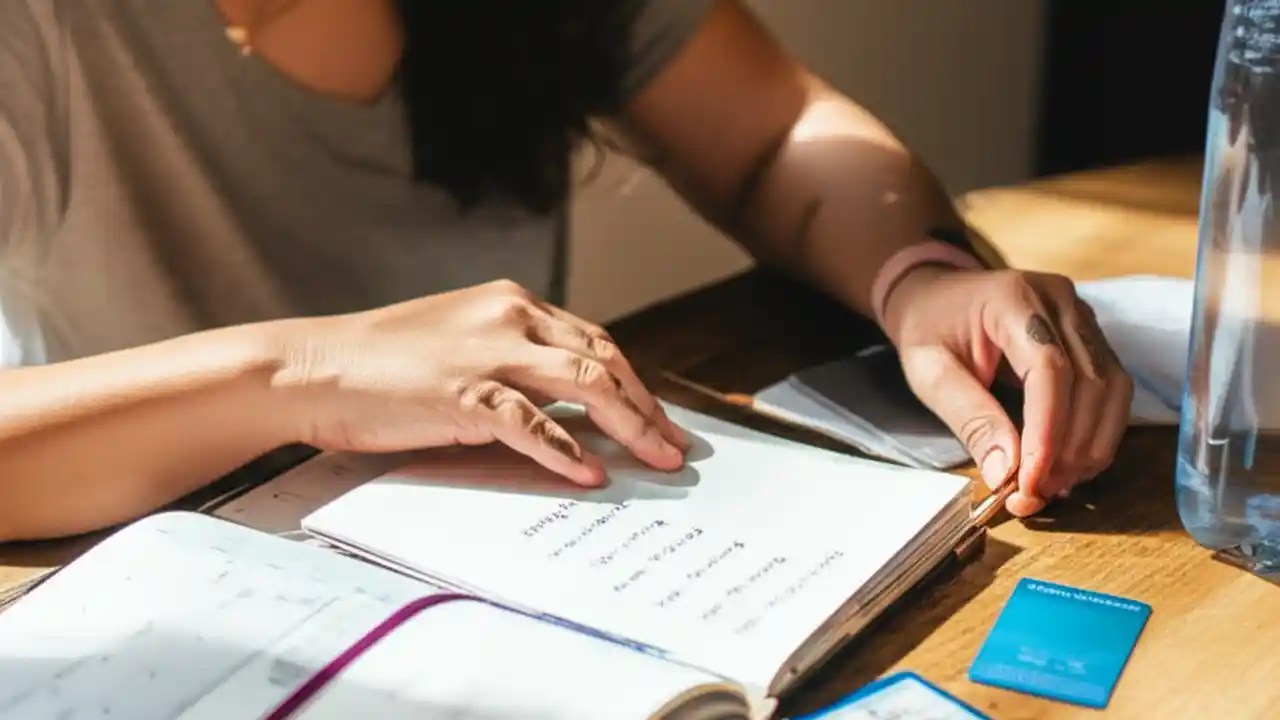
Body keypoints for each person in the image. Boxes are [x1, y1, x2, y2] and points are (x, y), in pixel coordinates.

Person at [0, 0, 1132, 543]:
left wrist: (915, 276)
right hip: (150, 562)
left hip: (542, 538)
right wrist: (305, 373)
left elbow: (772, 129)